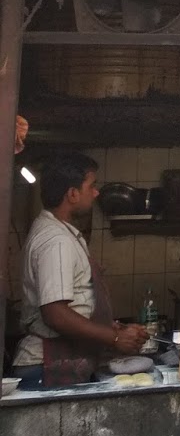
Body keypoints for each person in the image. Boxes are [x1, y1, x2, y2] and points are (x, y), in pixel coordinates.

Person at [12, 152, 148, 386]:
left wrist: (111, 327)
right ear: (72, 194)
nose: (96, 193)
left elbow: (74, 304)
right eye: (91, 186)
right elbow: (55, 314)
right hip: (44, 366)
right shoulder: (56, 240)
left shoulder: (61, 233)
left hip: (55, 363)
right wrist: (114, 337)